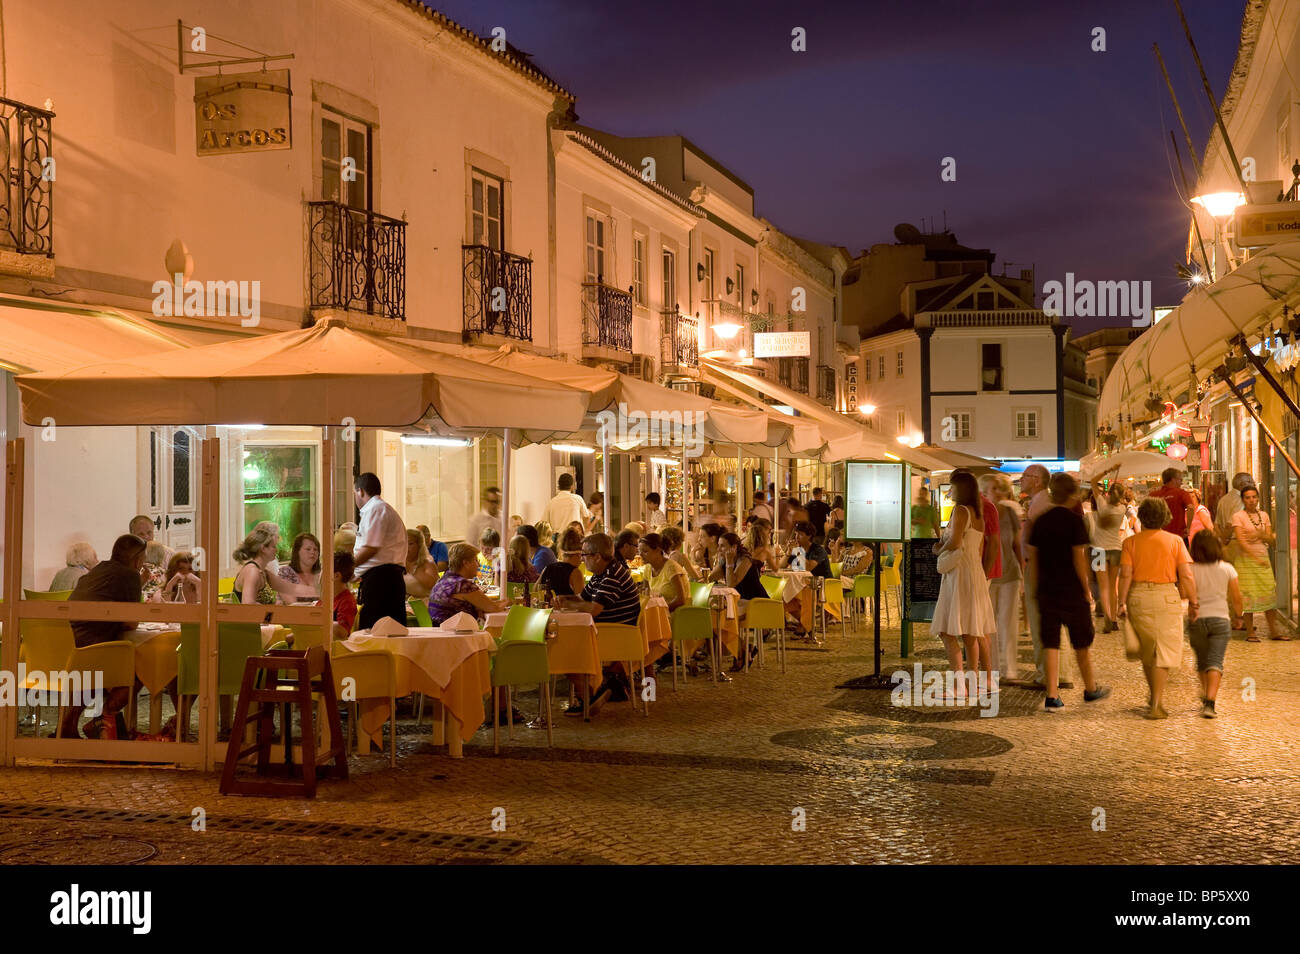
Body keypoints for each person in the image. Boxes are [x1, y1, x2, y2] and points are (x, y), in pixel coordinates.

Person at [1026, 473, 1111, 711]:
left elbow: (1032, 557)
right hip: (1071, 590)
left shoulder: (1040, 520)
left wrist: (1034, 587)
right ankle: (1090, 688)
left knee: (1051, 643)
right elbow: (1078, 557)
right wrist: (1086, 589)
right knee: (1081, 642)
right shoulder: (1075, 521)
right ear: (1073, 494)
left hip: (1046, 589)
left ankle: (1052, 696)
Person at [1117, 496, 1197, 719]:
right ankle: (1157, 703)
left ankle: (1153, 697)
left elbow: (1125, 575)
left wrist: (1121, 602)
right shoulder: (1175, 542)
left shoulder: (1130, 543)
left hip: (1138, 597)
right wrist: (1194, 602)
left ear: (1142, 516)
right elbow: (1187, 575)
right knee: (1163, 652)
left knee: (1147, 651)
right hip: (1166, 597)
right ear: (1165, 517)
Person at [62, 534, 146, 739]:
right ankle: (103, 719)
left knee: (94, 674)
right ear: (138, 560)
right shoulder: (130, 574)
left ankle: (68, 725)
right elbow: (131, 622)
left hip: (69, 644)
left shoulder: (98, 569)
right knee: (141, 668)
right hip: (92, 647)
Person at [932, 472, 998, 700]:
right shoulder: (978, 513)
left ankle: (959, 684)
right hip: (973, 572)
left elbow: (956, 541)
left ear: (961, 488)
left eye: (952, 486)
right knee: (971, 632)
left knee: (947, 631)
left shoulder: (960, 511)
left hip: (959, 574)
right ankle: (971, 683)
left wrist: (938, 549)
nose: (950, 490)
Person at [567, 533, 641, 715]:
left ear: (598, 556)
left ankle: (588, 696)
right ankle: (609, 683)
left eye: (584, 555)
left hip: (616, 635)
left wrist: (568, 604)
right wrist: (563, 598)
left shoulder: (612, 575)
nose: (582, 559)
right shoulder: (602, 574)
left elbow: (593, 609)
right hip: (609, 630)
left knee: (565, 646)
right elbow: (581, 599)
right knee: (566, 640)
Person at [1188, 530, 1243, 718]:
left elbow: (1185, 595)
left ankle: (1206, 695)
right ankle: (1210, 703)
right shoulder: (1227, 568)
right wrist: (1239, 616)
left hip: (1197, 621)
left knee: (1202, 662)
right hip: (1220, 620)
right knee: (1215, 662)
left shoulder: (1191, 570)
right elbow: (1236, 596)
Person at [352, 472, 408, 630]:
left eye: (355, 493)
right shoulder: (378, 509)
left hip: (382, 581)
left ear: (360, 491)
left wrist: (348, 566)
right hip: (382, 579)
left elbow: (371, 547)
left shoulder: (376, 509)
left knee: (379, 631)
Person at [1017, 463, 1056, 687]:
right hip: (1040, 566)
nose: (1021, 479)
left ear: (1038, 481)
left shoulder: (1041, 504)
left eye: (1026, 476)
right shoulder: (1038, 503)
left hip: (1039, 567)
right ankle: (1055, 674)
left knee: (1040, 621)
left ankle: (1046, 675)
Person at [1232, 485, 1284, 640]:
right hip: (1246, 561)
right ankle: (1250, 631)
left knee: (1269, 594)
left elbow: (1270, 538)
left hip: (1263, 558)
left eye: (1254, 497)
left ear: (1258, 498)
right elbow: (1241, 541)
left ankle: (1273, 631)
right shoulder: (1238, 516)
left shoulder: (1264, 515)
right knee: (1248, 596)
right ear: (1242, 499)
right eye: (1247, 497)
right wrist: (1256, 555)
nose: (1251, 500)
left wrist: (1260, 534)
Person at [986, 474, 1023, 682]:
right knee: (989, 624)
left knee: (1008, 623)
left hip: (1009, 573)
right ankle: (992, 667)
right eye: (994, 489)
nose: (998, 493)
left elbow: (1017, 544)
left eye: (1000, 489)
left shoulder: (1009, 512)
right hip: (988, 575)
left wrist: (1023, 571)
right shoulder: (981, 513)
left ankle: (1010, 668)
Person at [233, 523, 315, 606]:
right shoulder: (252, 571)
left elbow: (291, 588)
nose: (277, 550)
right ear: (263, 548)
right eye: (274, 546)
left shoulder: (264, 573)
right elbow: (248, 605)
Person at [427, 543, 507, 626]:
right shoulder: (462, 585)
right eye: (476, 560)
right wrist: (508, 602)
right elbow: (493, 608)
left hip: (439, 632)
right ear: (466, 563)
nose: (478, 565)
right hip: (455, 635)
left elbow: (484, 606)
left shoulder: (443, 580)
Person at [639, 532, 689, 611]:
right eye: (639, 551)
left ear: (658, 550)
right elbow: (645, 595)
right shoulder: (648, 568)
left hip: (678, 612)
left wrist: (661, 610)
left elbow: (681, 600)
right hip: (660, 610)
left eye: (645, 551)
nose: (640, 555)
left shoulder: (671, 568)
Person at [541, 473, 590, 546]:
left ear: (558, 486)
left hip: (558, 539)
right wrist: (585, 531)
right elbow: (586, 517)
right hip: (574, 537)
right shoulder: (577, 499)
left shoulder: (551, 502)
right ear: (572, 486)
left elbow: (544, 523)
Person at [1149, 467, 1195, 541]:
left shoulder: (1152, 495)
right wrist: (1188, 527)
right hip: (1178, 536)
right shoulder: (1181, 493)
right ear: (1173, 480)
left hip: (1158, 538)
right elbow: (1191, 507)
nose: (1181, 482)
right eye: (1180, 480)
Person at [1215, 472, 1255, 554]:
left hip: (1228, 544)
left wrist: (1222, 541)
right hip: (1237, 543)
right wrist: (1225, 539)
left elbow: (1216, 525)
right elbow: (1230, 525)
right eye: (1250, 482)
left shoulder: (1224, 499)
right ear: (1242, 484)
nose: (1253, 484)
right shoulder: (1241, 500)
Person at [540, 527, 585, 599]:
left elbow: (535, 591)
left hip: (546, 609)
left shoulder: (548, 568)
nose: (583, 559)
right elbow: (582, 602)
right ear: (579, 554)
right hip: (567, 610)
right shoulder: (576, 574)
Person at [404, 529, 439, 599]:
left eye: (410, 544)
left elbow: (432, 585)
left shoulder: (428, 563)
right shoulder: (399, 563)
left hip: (426, 604)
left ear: (419, 546)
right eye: (403, 543)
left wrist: (412, 569)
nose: (406, 547)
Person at [466, 486, 502, 552]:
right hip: (482, 559)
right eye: (492, 502)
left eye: (497, 502)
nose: (495, 505)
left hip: (499, 559)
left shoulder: (502, 518)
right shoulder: (476, 520)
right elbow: (470, 545)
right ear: (485, 501)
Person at [331, 551, 358, 640]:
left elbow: (342, 631)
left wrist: (319, 622)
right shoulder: (327, 598)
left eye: (324, 569)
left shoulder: (347, 601)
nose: (320, 574)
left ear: (337, 576)